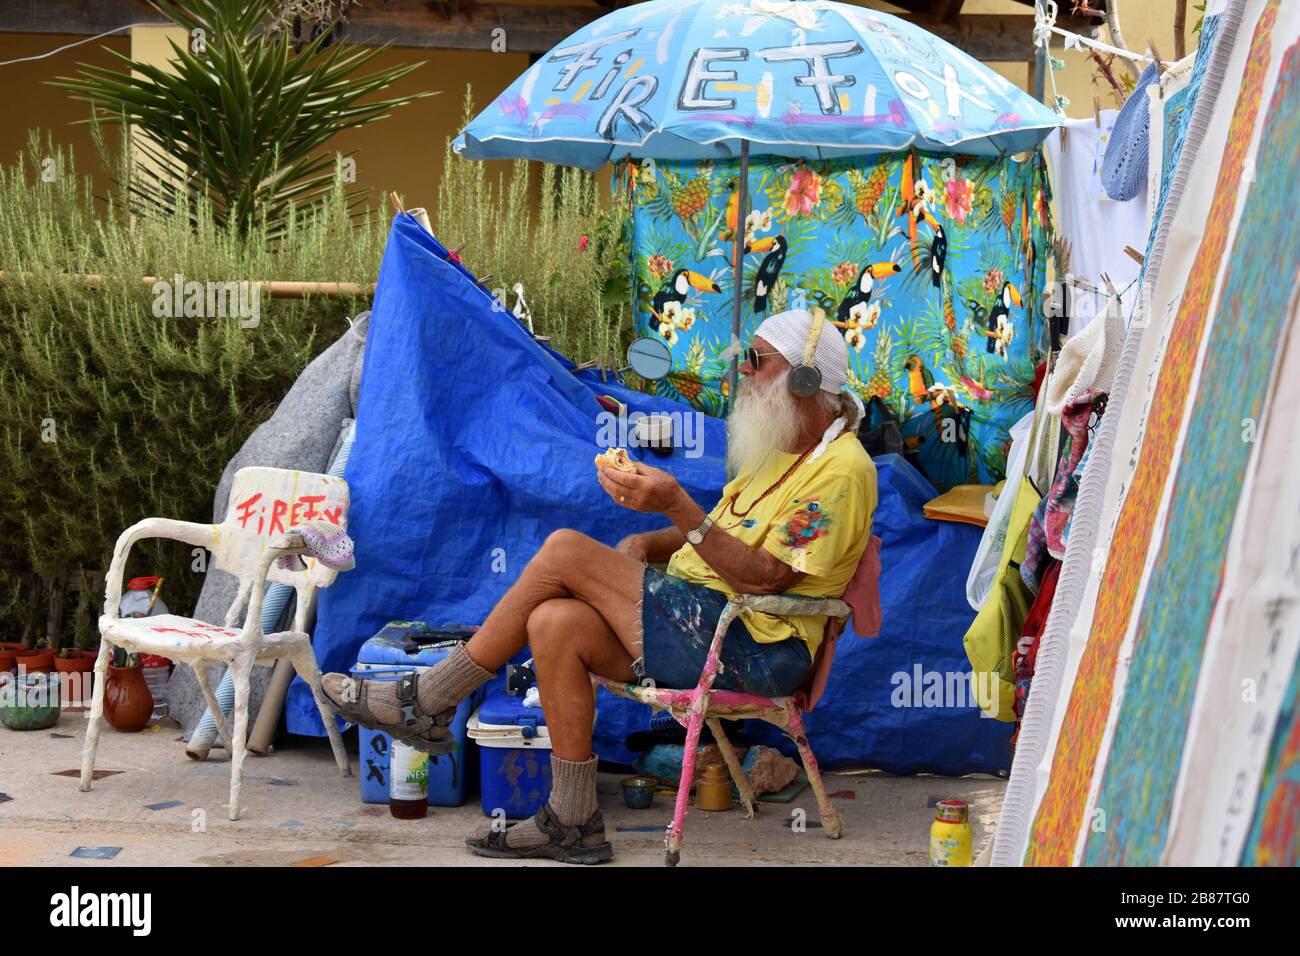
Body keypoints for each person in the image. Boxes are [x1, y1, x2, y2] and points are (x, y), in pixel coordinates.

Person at [320, 308, 877, 863]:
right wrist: (650, 542)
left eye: (757, 361)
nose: (745, 374)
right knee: (552, 622)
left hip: (757, 648)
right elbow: (726, 536)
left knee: (565, 548)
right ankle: (573, 819)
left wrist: (675, 503)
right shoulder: (780, 450)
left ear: (805, 381)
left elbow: (767, 575)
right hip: (706, 622)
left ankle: (431, 699)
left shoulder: (843, 471)